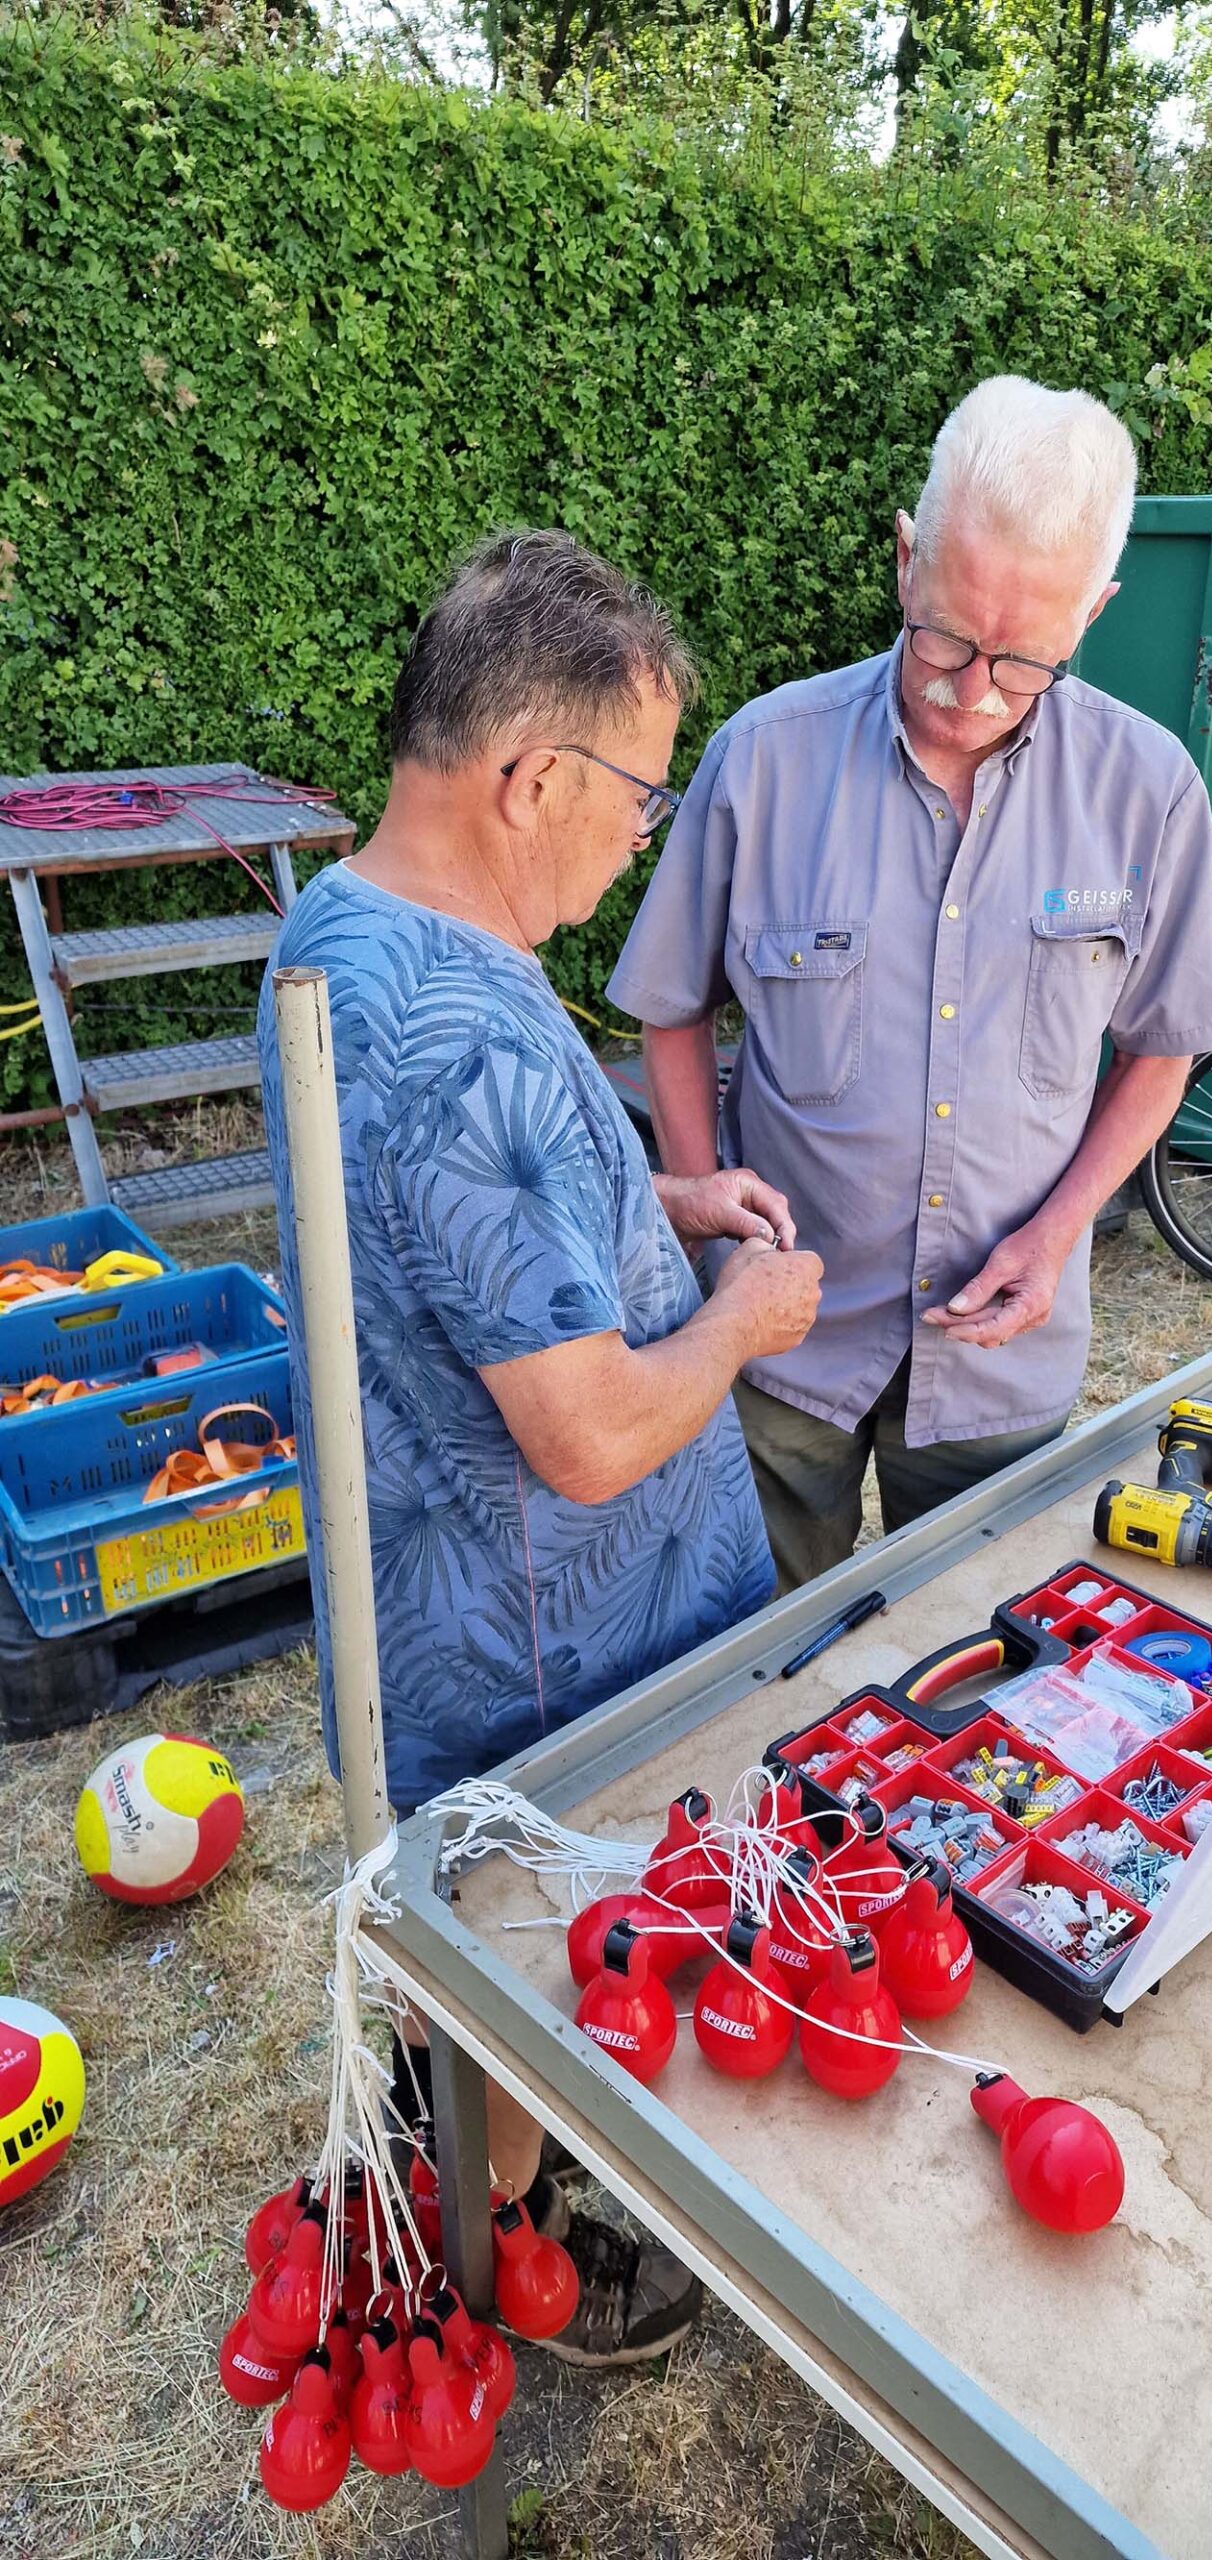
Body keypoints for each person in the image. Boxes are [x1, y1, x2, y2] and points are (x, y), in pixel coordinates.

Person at [257, 529, 821, 2365]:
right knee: (536, 1964)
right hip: (545, 1643)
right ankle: (484, 2251)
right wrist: (738, 1317)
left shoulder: (341, 927)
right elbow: (583, 1440)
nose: (636, 837)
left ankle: (461, 2177)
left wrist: (648, 1191)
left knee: (478, 1960)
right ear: (528, 780)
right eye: (639, 800)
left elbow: (438, 1229)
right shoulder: (468, 1040)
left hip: (420, 1589)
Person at [608, 375, 1212, 1589]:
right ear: (906, 561)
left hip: (1003, 1360)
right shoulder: (763, 757)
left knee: (972, 1679)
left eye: (1023, 663)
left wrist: (1059, 1235)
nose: (969, 690)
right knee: (755, 1665)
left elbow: (1162, 1047)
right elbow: (670, 1005)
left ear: (1094, 613)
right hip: (776, 1342)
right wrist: (703, 1213)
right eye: (947, 638)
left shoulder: (1148, 789)